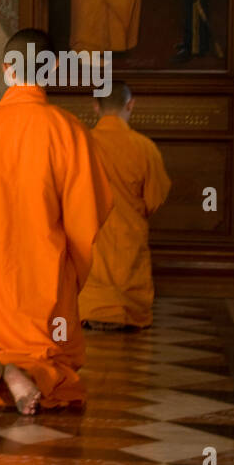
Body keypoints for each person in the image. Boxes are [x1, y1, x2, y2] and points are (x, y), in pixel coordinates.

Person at [0, 28, 113, 413]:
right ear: (51, 68)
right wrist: (73, 270)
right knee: (53, 349)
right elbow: (89, 214)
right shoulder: (70, 130)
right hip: (46, 270)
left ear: (6, 69)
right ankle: (27, 372)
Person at [80, 82, 171, 330]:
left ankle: (89, 309)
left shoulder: (79, 144)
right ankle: (124, 313)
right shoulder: (144, 148)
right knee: (127, 265)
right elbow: (155, 199)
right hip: (128, 234)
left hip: (87, 234)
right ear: (130, 105)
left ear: (95, 107)